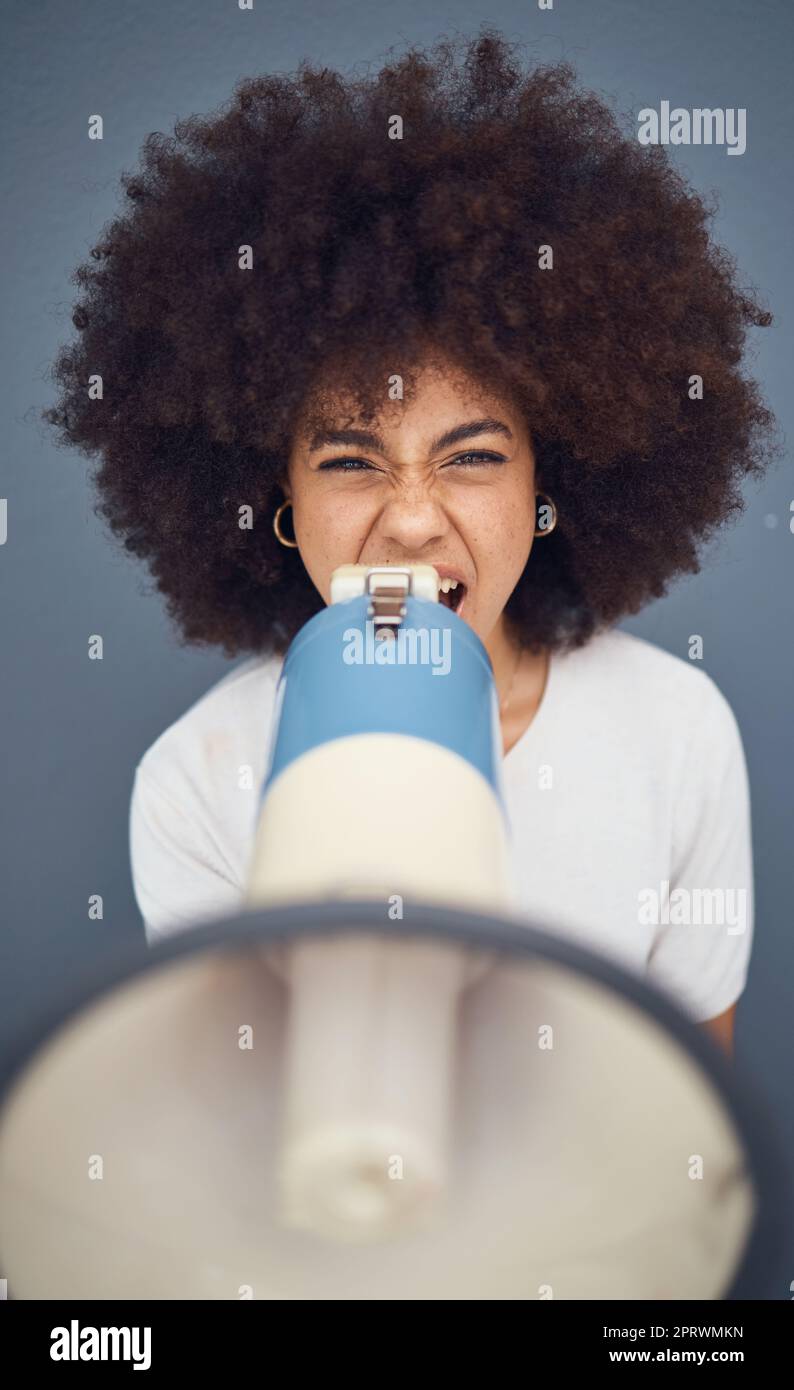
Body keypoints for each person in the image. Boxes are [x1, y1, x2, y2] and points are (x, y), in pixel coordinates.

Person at [44, 32, 776, 1058]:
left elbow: (693, 1109)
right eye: (349, 462)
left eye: (470, 457)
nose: (413, 517)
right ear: (278, 499)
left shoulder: (675, 729)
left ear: (544, 485)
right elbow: (232, 1132)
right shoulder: (198, 778)